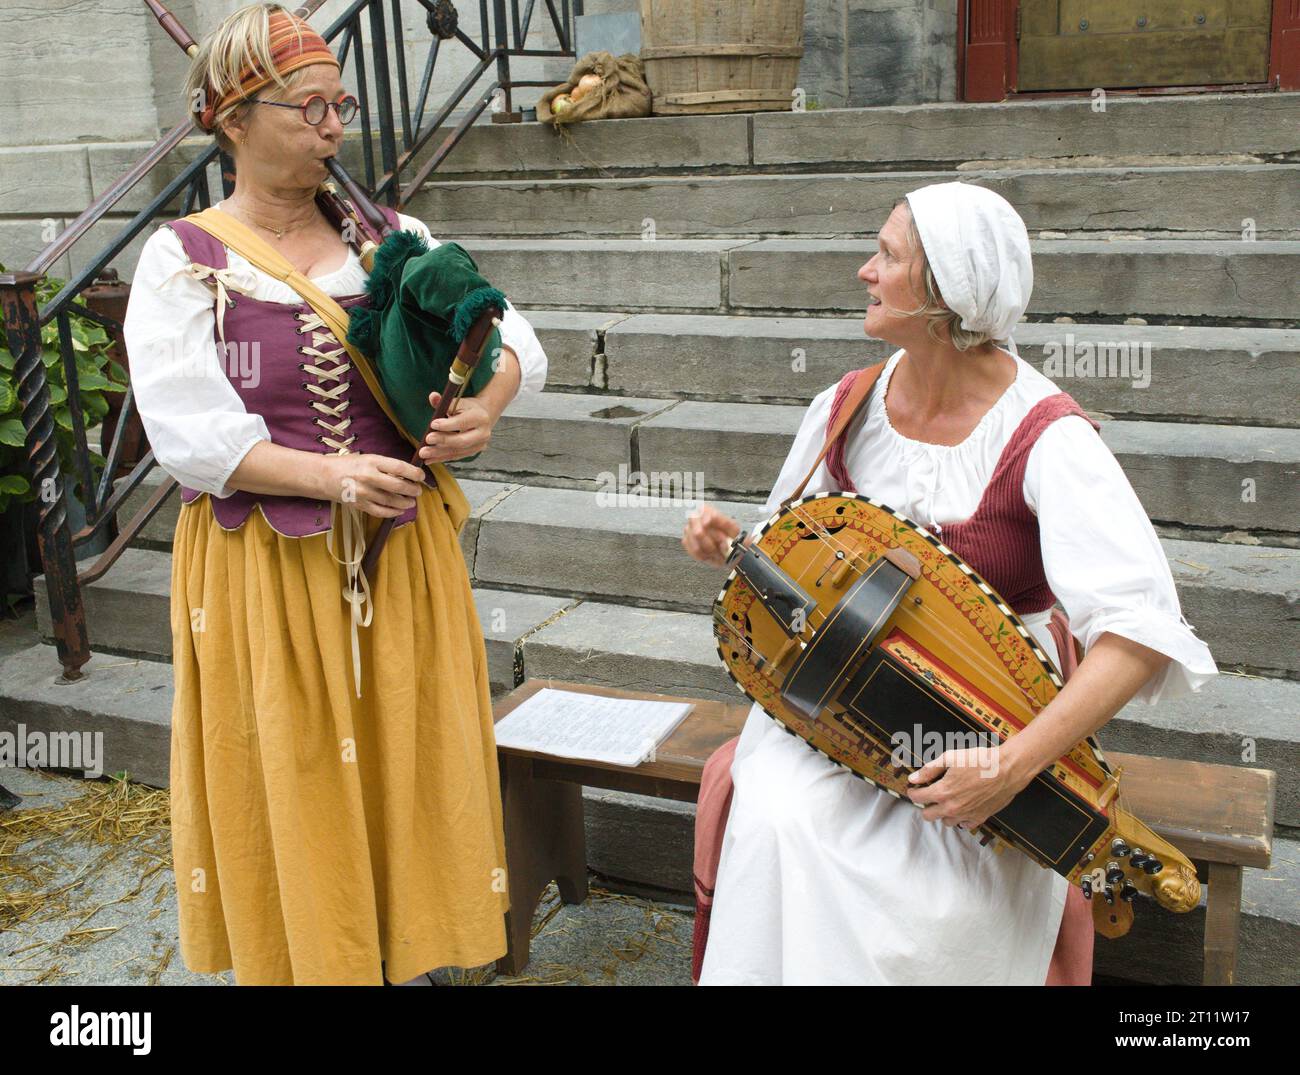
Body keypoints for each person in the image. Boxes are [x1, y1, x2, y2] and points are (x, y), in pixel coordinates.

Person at [681, 181, 1217, 985]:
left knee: (927, 904)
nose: (865, 271)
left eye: (888, 256)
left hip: (987, 723)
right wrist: (738, 548)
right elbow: (793, 553)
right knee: (782, 820)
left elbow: (1140, 633)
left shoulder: (1048, 437)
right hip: (840, 707)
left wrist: (1012, 766)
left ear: (945, 298)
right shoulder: (848, 404)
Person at [123, 3, 547, 985]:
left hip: (403, 559)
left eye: (340, 105)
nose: (333, 127)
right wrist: (332, 474)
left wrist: (484, 408)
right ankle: (319, 956)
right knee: (300, 765)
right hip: (269, 567)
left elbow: (511, 338)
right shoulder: (185, 260)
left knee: (411, 745)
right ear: (233, 120)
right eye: (307, 108)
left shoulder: (390, 236)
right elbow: (186, 434)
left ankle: (414, 943)